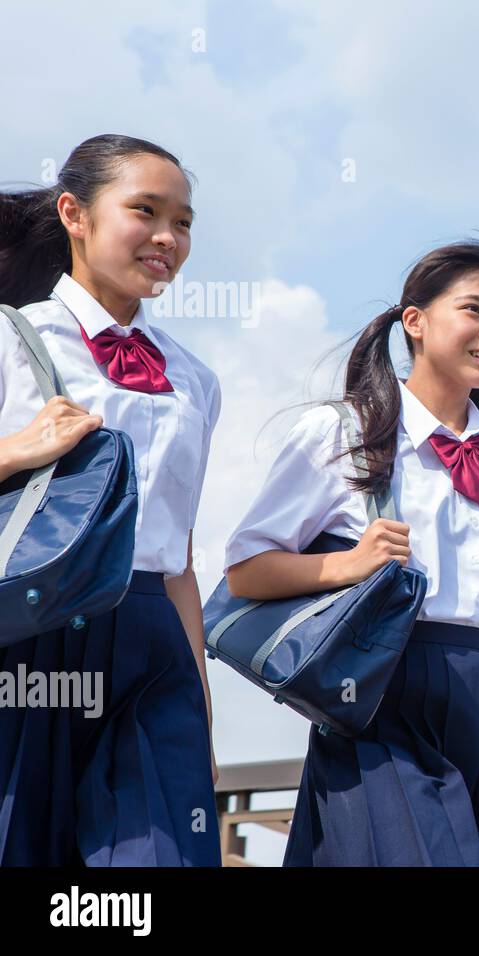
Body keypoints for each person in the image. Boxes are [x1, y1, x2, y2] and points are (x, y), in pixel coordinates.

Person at [223, 239, 479, 865]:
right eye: (474, 310)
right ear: (414, 321)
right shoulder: (342, 432)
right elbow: (245, 572)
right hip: (383, 692)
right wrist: (348, 565)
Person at [0, 134, 221, 866]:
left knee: (156, 860)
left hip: (152, 637)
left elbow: (180, 558)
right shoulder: (10, 336)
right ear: (75, 213)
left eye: (183, 222)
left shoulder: (195, 379)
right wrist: (15, 451)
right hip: (31, 631)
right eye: (146, 211)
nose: (168, 238)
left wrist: (202, 708)